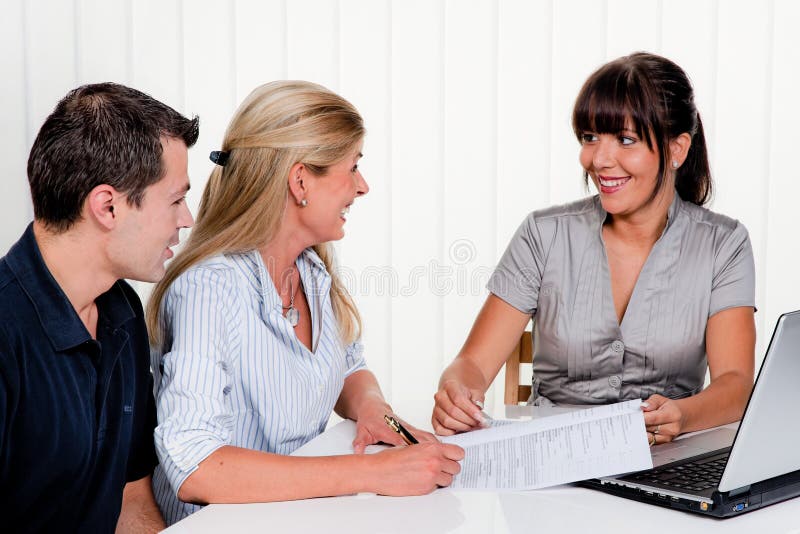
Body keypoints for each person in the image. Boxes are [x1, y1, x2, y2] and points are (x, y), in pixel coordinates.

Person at [147, 80, 464, 524]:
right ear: (300, 181)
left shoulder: (312, 271)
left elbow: (348, 365)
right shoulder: (209, 289)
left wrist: (374, 409)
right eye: (352, 167)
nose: (363, 186)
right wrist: (370, 472)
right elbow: (196, 465)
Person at [433, 52, 756, 447]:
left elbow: (735, 385)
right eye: (589, 138)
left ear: (677, 149)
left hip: (663, 457)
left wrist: (683, 416)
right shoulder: (544, 234)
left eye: (625, 140)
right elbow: (471, 365)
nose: (599, 160)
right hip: (550, 460)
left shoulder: (723, 244)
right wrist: (457, 390)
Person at [0, 83, 198, 532]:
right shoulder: (6, 337)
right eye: (175, 199)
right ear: (107, 206)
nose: (186, 219)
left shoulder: (122, 312)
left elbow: (131, 495)